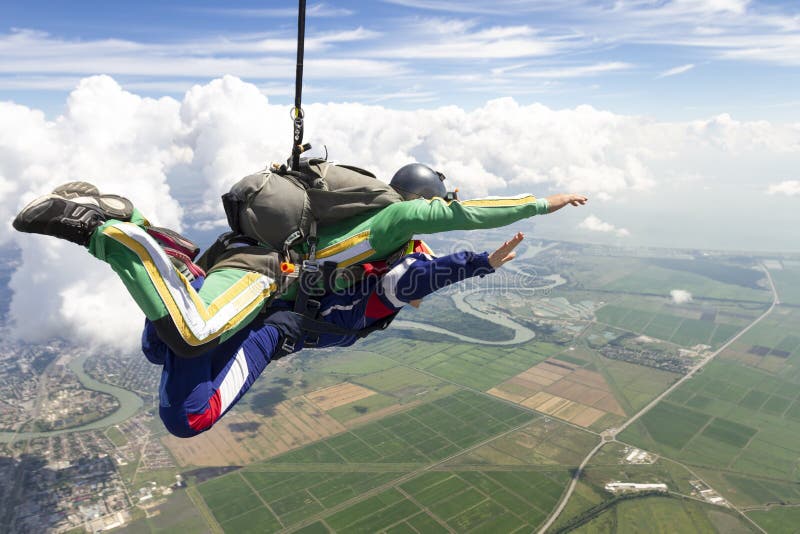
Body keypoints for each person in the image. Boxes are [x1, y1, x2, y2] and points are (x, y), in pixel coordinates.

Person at [13, 167, 587, 357]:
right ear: (419, 199)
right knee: (191, 332)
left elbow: (427, 264)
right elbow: (461, 215)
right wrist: (543, 203)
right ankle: (101, 229)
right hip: (260, 273)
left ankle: (131, 220)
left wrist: (482, 264)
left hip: (255, 264)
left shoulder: (374, 235)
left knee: (157, 345)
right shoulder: (395, 222)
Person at [150, 233, 525, 437]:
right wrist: (480, 264)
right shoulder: (388, 284)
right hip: (272, 332)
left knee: (157, 348)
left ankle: (183, 277)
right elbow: (417, 277)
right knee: (191, 416)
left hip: (261, 313)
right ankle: (177, 285)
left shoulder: (363, 262)